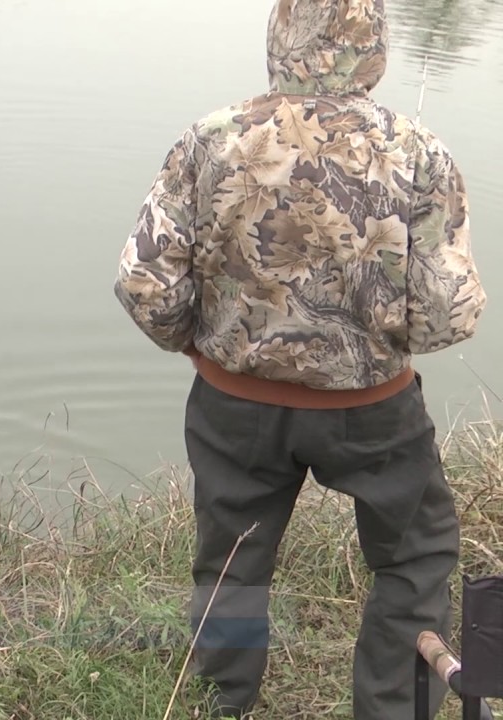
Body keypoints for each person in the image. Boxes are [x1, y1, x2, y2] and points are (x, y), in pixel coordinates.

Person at [112, 0, 486, 718]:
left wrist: (197, 345)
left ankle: (221, 703)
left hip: (233, 403)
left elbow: (145, 283)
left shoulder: (211, 138)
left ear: (280, 37)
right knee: (415, 557)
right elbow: (448, 312)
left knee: (231, 560)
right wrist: (386, 343)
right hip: (373, 410)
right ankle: (394, 710)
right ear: (375, 44)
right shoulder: (417, 150)